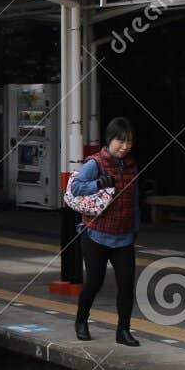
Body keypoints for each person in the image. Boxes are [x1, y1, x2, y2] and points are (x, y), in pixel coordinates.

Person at [71, 116, 142, 347]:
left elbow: (135, 200)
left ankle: (123, 330)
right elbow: (76, 188)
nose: (125, 146)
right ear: (109, 139)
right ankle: (81, 321)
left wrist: (135, 228)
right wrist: (98, 184)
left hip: (124, 236)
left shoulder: (131, 164)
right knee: (94, 282)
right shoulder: (95, 163)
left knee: (126, 284)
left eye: (129, 142)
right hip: (96, 234)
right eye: (120, 141)